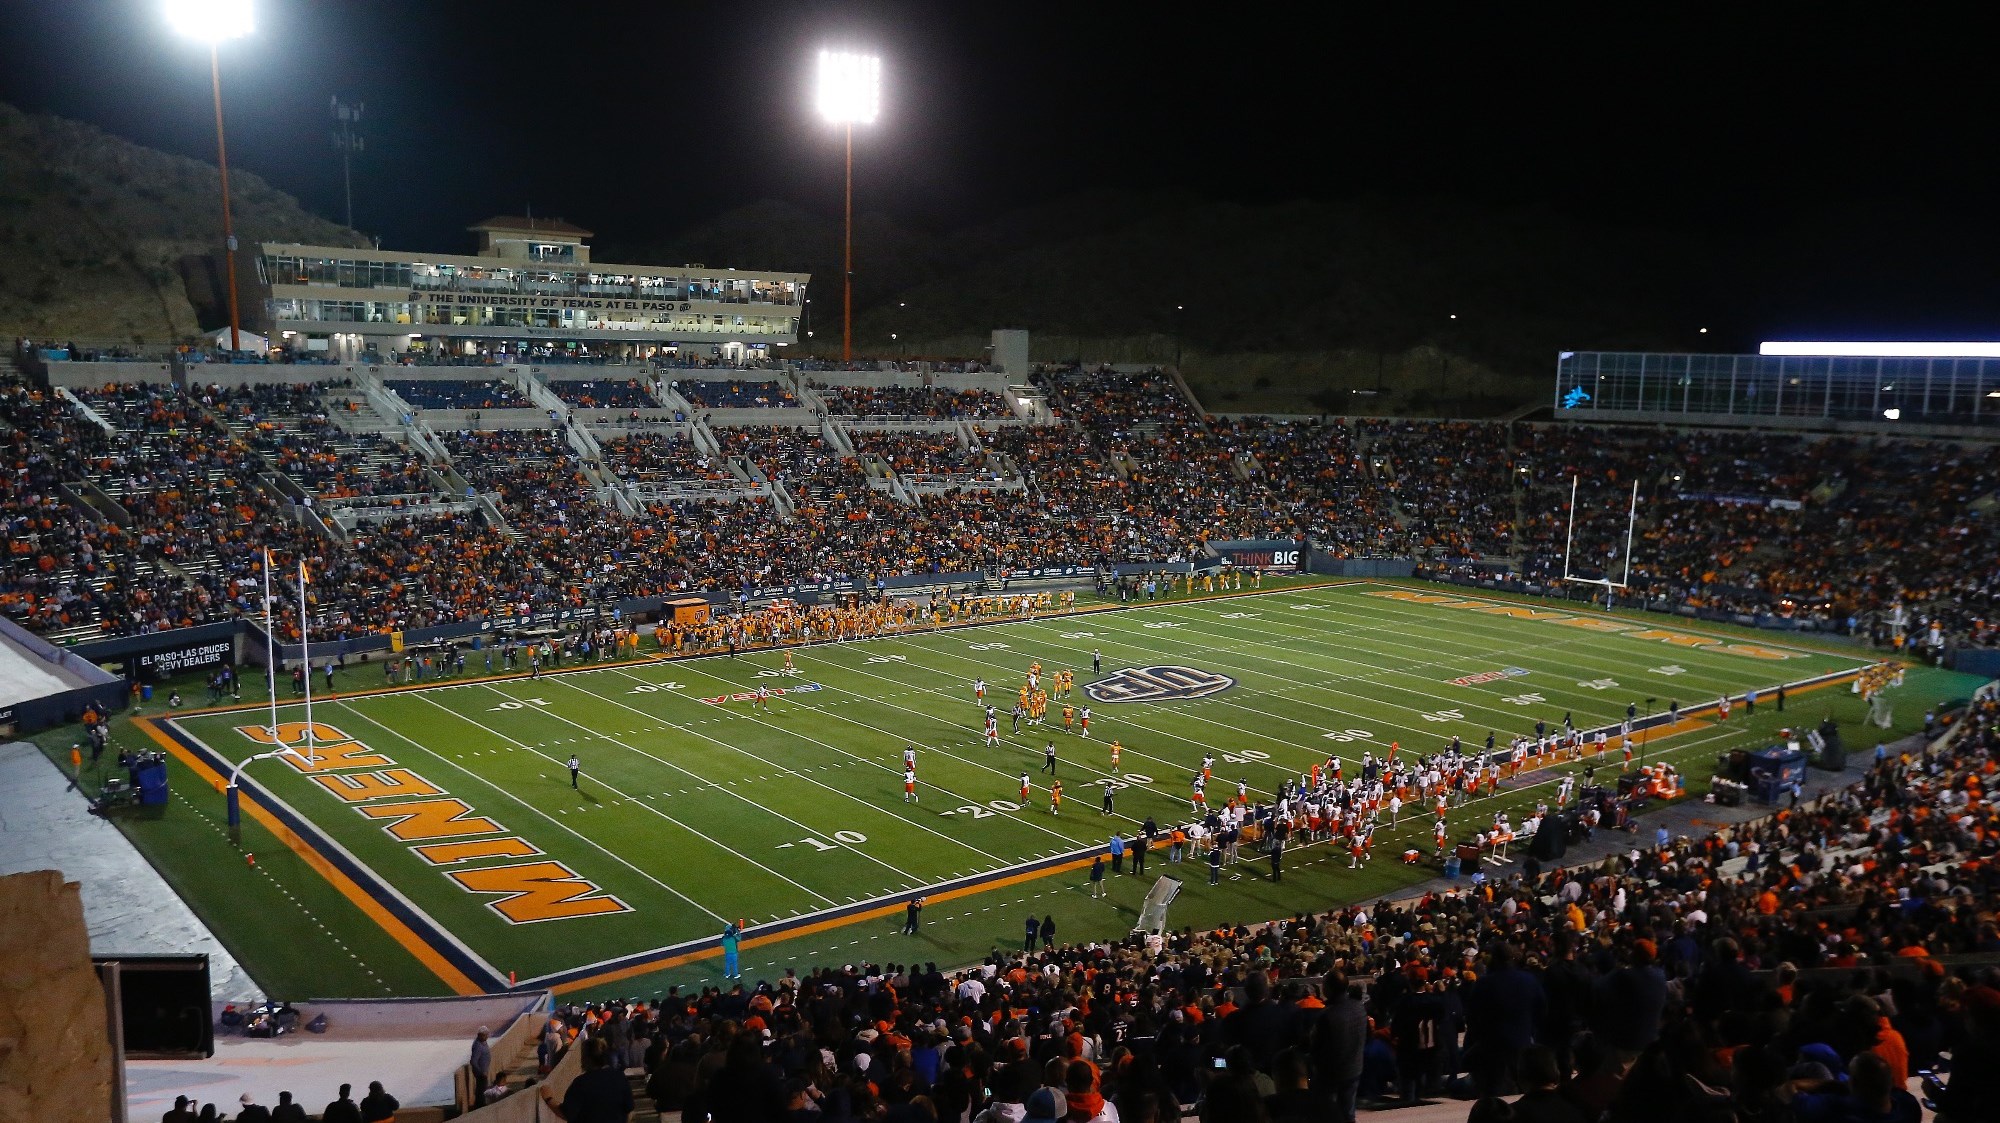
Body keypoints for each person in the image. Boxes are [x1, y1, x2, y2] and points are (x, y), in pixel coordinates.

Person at [547, 1036, 634, 1122]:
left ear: (586, 1058)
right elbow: (629, 1111)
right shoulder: (619, 1077)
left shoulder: (581, 1083)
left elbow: (566, 1113)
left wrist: (548, 1098)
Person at [471, 1026, 493, 1094]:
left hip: (484, 1071)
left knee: (483, 1088)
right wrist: (481, 1072)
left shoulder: (483, 1042)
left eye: (487, 1034)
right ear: (479, 1035)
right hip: (481, 1073)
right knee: (481, 1090)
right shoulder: (478, 1046)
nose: (486, 1037)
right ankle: (480, 1103)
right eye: (484, 1035)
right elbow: (473, 1061)